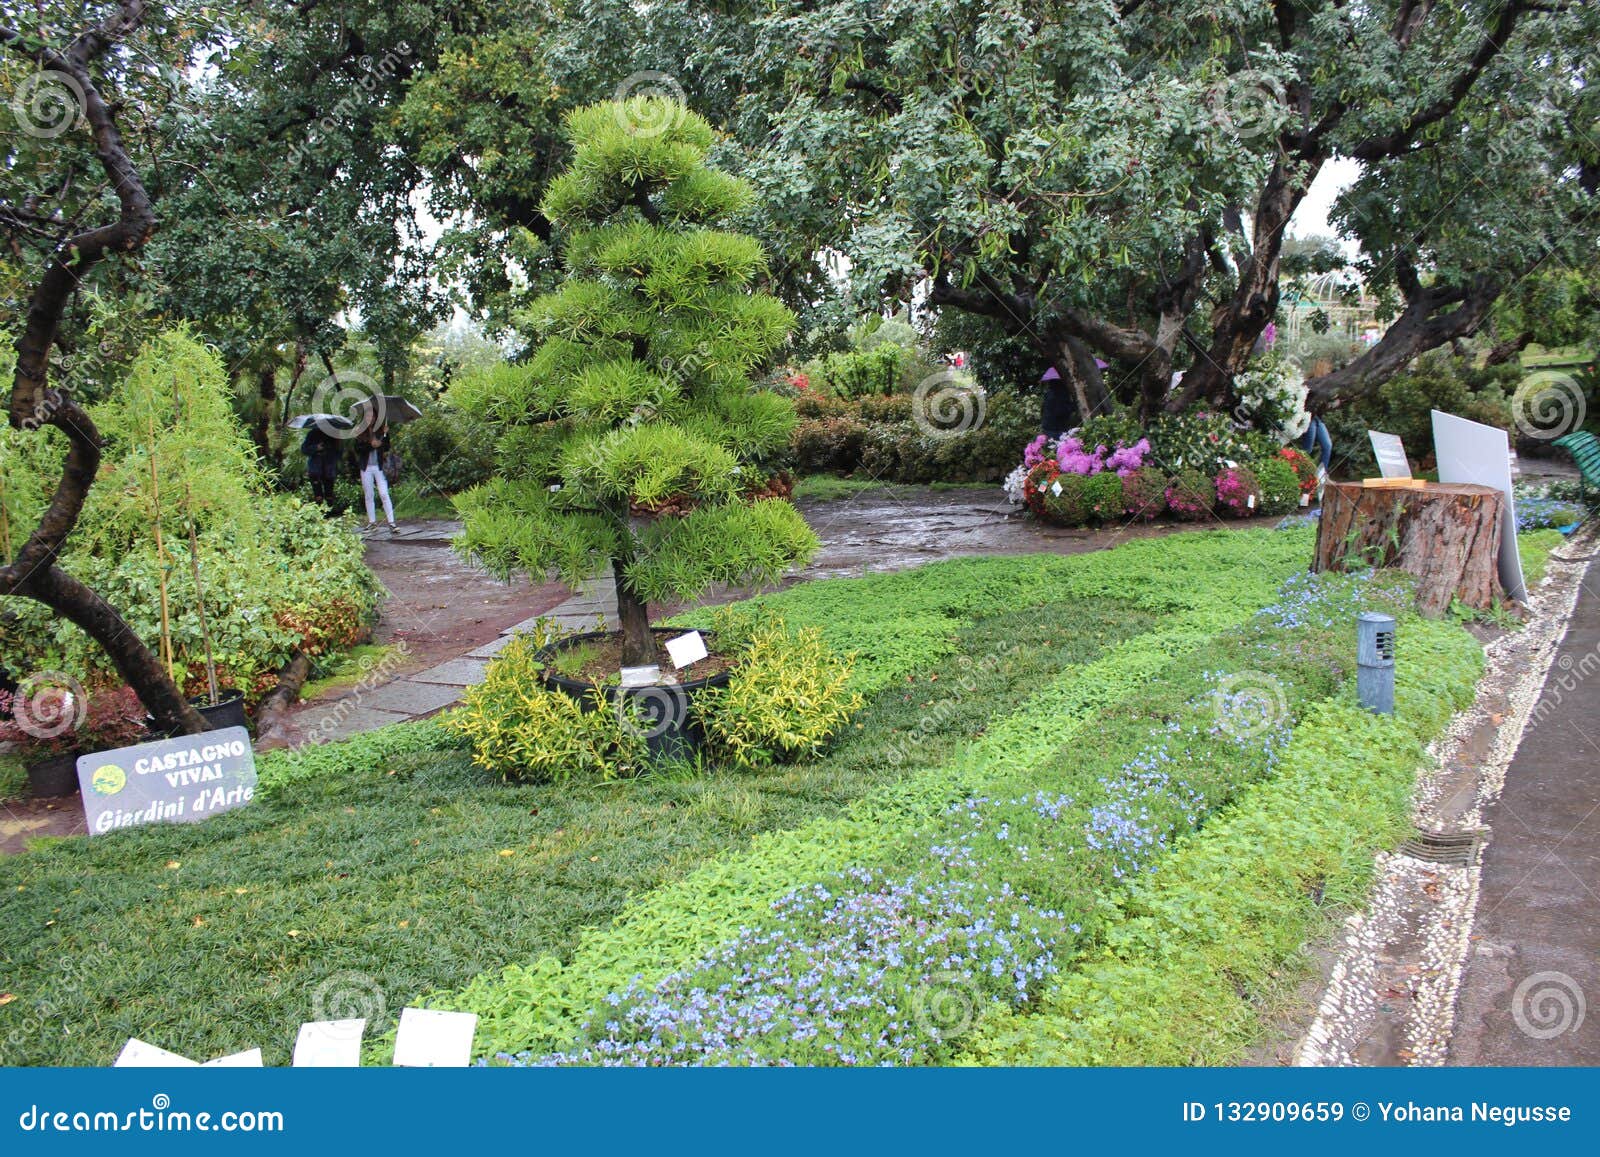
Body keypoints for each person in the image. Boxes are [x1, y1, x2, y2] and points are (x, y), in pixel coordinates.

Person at [356, 421, 398, 535]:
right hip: (366, 468)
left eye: (373, 416)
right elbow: (358, 449)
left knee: (384, 493)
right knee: (369, 495)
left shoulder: (381, 431)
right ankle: (372, 522)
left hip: (379, 467)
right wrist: (371, 446)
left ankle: (392, 522)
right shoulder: (360, 432)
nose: (370, 418)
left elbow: (387, 447)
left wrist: (386, 435)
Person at [300, 426, 340, 507]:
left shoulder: (332, 434)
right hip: (315, 469)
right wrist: (316, 448)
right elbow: (304, 449)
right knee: (318, 494)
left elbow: (338, 451)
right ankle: (319, 513)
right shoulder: (312, 433)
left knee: (329, 493)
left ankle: (329, 512)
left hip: (329, 468)